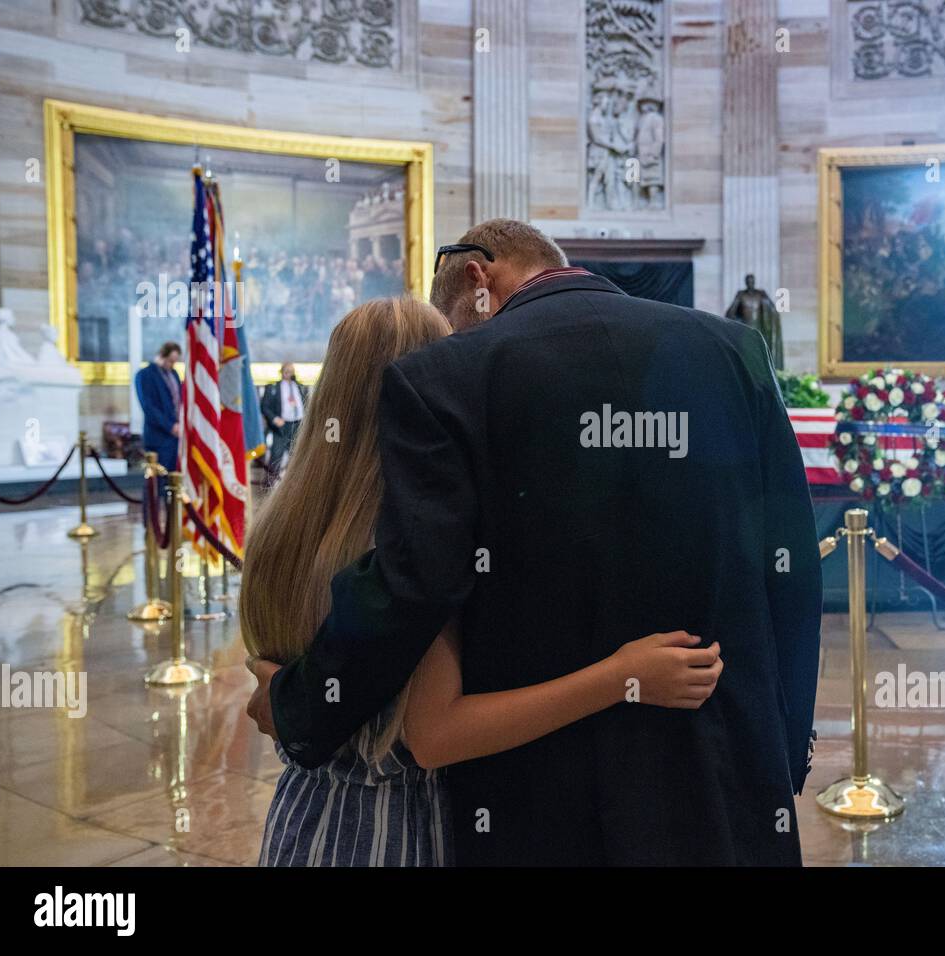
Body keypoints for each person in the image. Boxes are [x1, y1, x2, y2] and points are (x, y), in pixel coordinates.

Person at [245, 218, 823, 866]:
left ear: (477, 275)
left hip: (545, 798)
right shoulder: (732, 349)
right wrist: (783, 746)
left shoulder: (445, 375)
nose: (460, 335)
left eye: (456, 319)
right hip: (725, 771)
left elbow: (414, 582)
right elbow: (791, 569)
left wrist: (301, 707)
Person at [133, 341, 182, 471]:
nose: (172, 365)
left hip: (175, 436)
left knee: (173, 479)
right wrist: (170, 426)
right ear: (161, 355)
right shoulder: (145, 375)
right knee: (157, 482)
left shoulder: (174, 374)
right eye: (170, 361)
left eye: (175, 361)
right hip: (158, 436)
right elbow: (149, 408)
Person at [260, 362, 308, 474]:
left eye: (291, 371)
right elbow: (265, 406)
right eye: (287, 370)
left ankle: (295, 480)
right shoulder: (273, 387)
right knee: (277, 455)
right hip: (281, 426)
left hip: (297, 425)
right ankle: (271, 482)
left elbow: (306, 403)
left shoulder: (300, 387)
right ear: (282, 372)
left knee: (297, 454)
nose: (289, 373)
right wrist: (275, 419)